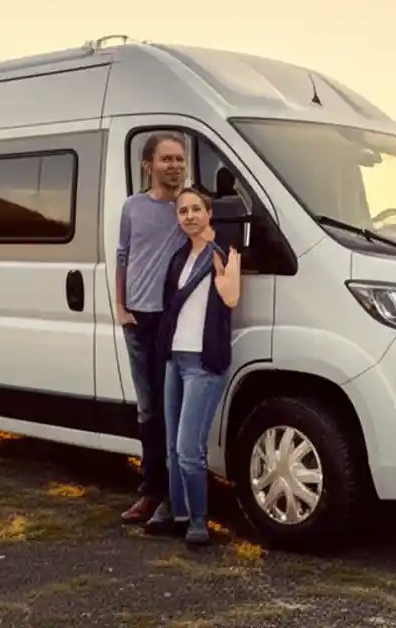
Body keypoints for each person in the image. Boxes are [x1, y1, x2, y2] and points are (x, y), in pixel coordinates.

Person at [143, 187, 241, 545]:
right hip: (175, 359)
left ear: (209, 212)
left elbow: (231, 298)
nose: (189, 216)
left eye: (195, 209)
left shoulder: (224, 253)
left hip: (204, 363)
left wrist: (221, 275)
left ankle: (200, 520)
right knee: (172, 448)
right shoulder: (180, 257)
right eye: (183, 211)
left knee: (189, 451)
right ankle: (180, 515)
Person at [115, 133, 188, 523]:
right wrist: (120, 306)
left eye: (180, 159)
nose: (175, 165)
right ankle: (149, 492)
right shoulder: (132, 207)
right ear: (149, 165)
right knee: (147, 411)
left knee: (169, 409)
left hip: (171, 321)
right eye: (167, 159)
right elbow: (122, 255)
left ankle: (173, 497)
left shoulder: (188, 207)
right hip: (138, 320)